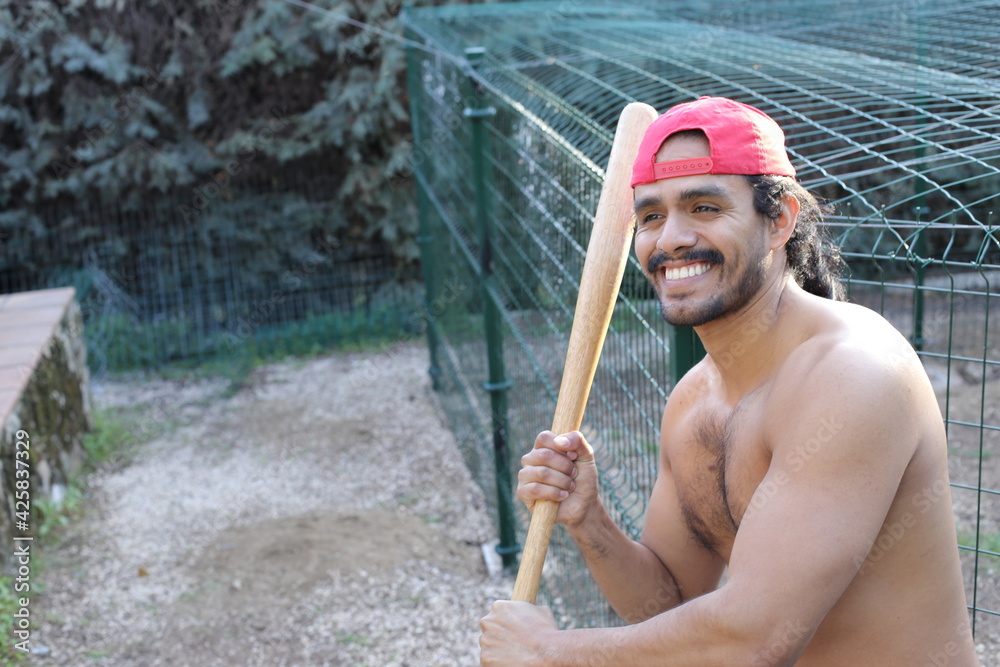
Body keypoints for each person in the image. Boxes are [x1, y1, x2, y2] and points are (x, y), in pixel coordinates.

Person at [480, 96, 977, 666]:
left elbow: (755, 638)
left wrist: (548, 652)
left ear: (779, 219)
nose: (670, 238)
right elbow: (666, 606)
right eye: (650, 216)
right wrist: (589, 522)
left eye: (704, 207)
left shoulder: (853, 374)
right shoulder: (693, 400)